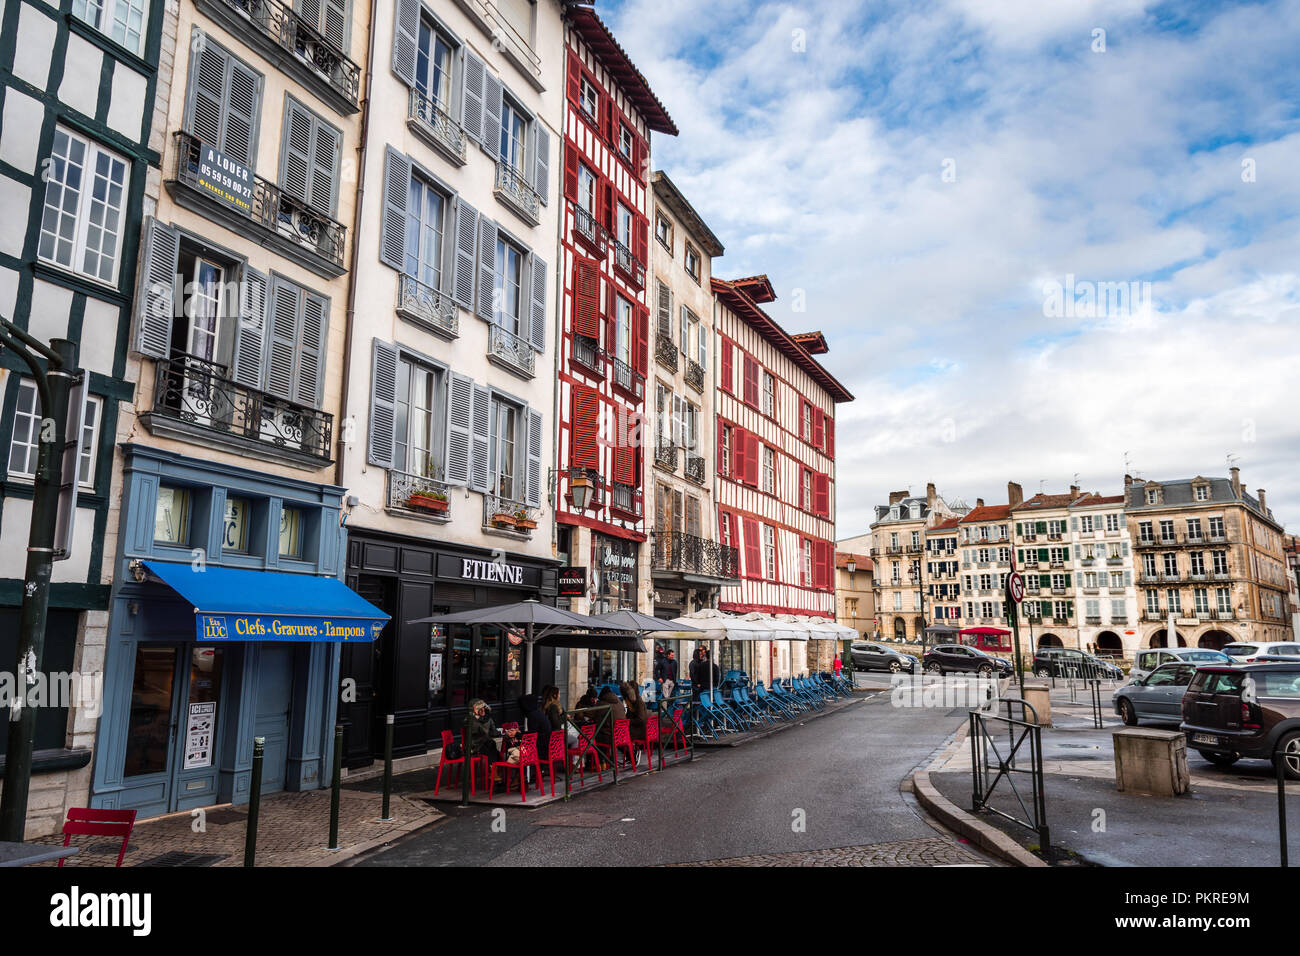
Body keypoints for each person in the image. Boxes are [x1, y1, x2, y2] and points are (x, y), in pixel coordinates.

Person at [517, 692, 551, 756]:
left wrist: (517, 734)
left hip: (541, 750)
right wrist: (520, 732)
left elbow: (531, 736)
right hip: (547, 746)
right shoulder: (538, 713)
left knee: (516, 749)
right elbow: (533, 732)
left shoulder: (533, 716)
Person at [595, 684, 627, 753]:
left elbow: (596, 718)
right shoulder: (619, 702)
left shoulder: (602, 704)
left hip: (611, 736)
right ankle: (607, 759)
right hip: (621, 735)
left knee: (593, 738)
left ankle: (602, 761)